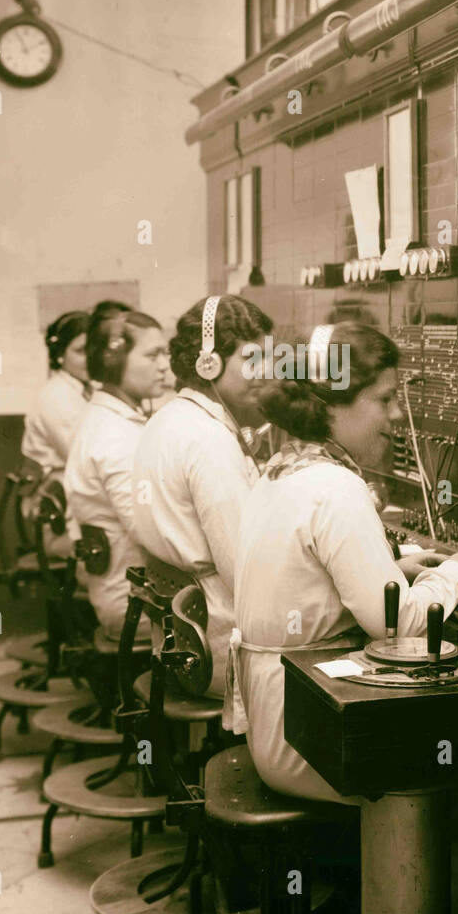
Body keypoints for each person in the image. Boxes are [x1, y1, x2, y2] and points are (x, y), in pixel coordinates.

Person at [230, 322, 458, 914]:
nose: (395, 417)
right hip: (309, 738)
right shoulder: (337, 488)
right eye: (383, 400)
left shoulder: (282, 471)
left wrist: (396, 568)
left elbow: (319, 578)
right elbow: (401, 622)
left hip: (283, 717)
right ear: (330, 402)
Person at [132, 295, 273, 696]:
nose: (265, 372)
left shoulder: (168, 419)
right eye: (251, 359)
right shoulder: (209, 441)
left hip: (181, 645)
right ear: (208, 361)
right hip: (218, 651)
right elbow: (244, 573)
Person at [65, 307, 170, 641]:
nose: (164, 365)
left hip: (126, 592)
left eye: (164, 354)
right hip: (134, 607)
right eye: (153, 355)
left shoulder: (113, 420)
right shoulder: (115, 437)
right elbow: (151, 533)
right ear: (115, 361)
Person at [21, 311, 91, 476]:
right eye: (80, 351)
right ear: (60, 354)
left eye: (93, 349)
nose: (90, 358)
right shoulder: (56, 397)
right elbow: (81, 456)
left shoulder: (86, 390)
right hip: (53, 491)